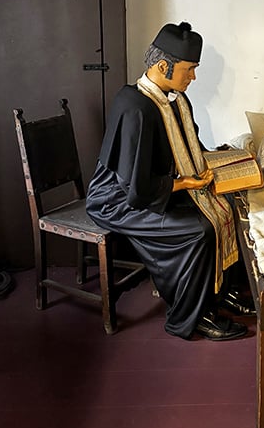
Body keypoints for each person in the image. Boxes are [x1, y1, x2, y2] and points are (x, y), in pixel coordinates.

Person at [86, 21, 252, 341]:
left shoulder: (175, 99)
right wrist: (187, 185)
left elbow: (187, 152)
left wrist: (222, 160)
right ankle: (191, 315)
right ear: (164, 66)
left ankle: (219, 295)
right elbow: (136, 188)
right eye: (189, 69)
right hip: (117, 200)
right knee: (199, 230)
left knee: (225, 207)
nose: (193, 77)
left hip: (152, 187)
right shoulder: (135, 106)